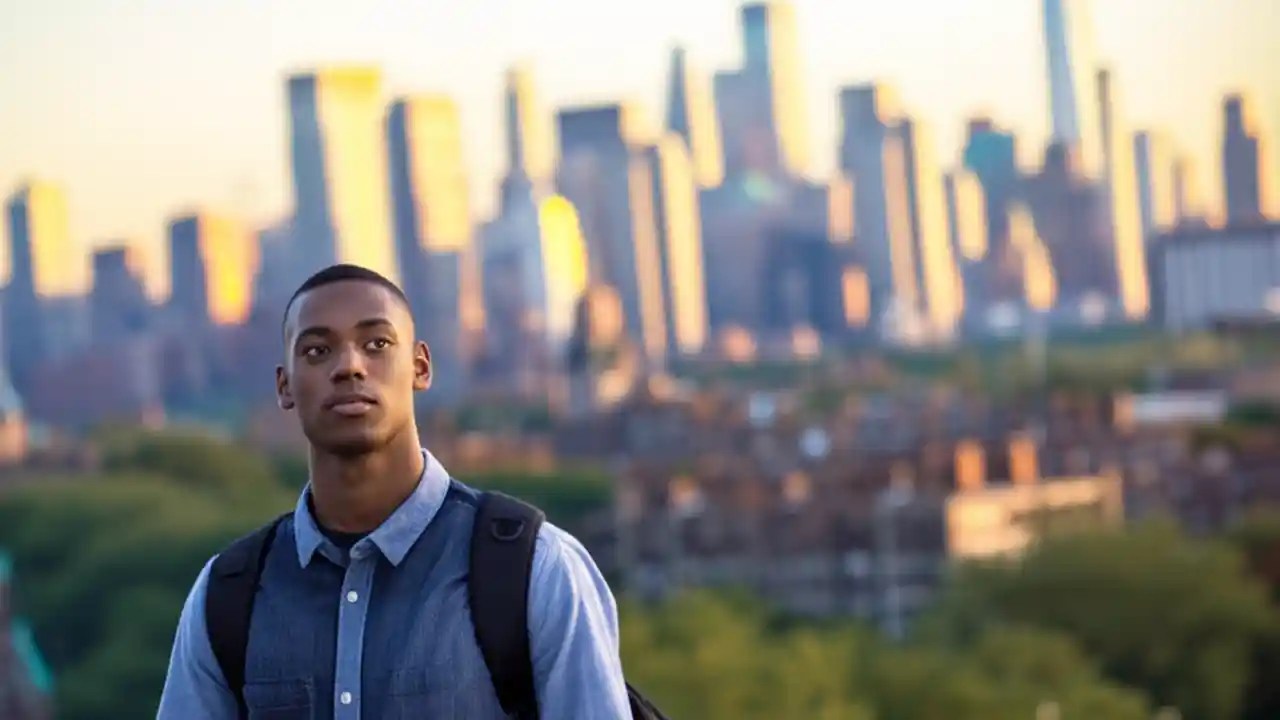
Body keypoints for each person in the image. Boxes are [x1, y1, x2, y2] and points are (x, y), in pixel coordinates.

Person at [157, 264, 632, 718]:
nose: (349, 366)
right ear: (284, 385)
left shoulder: (535, 569)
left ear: (420, 367)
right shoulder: (227, 595)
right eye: (318, 351)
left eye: (377, 342)